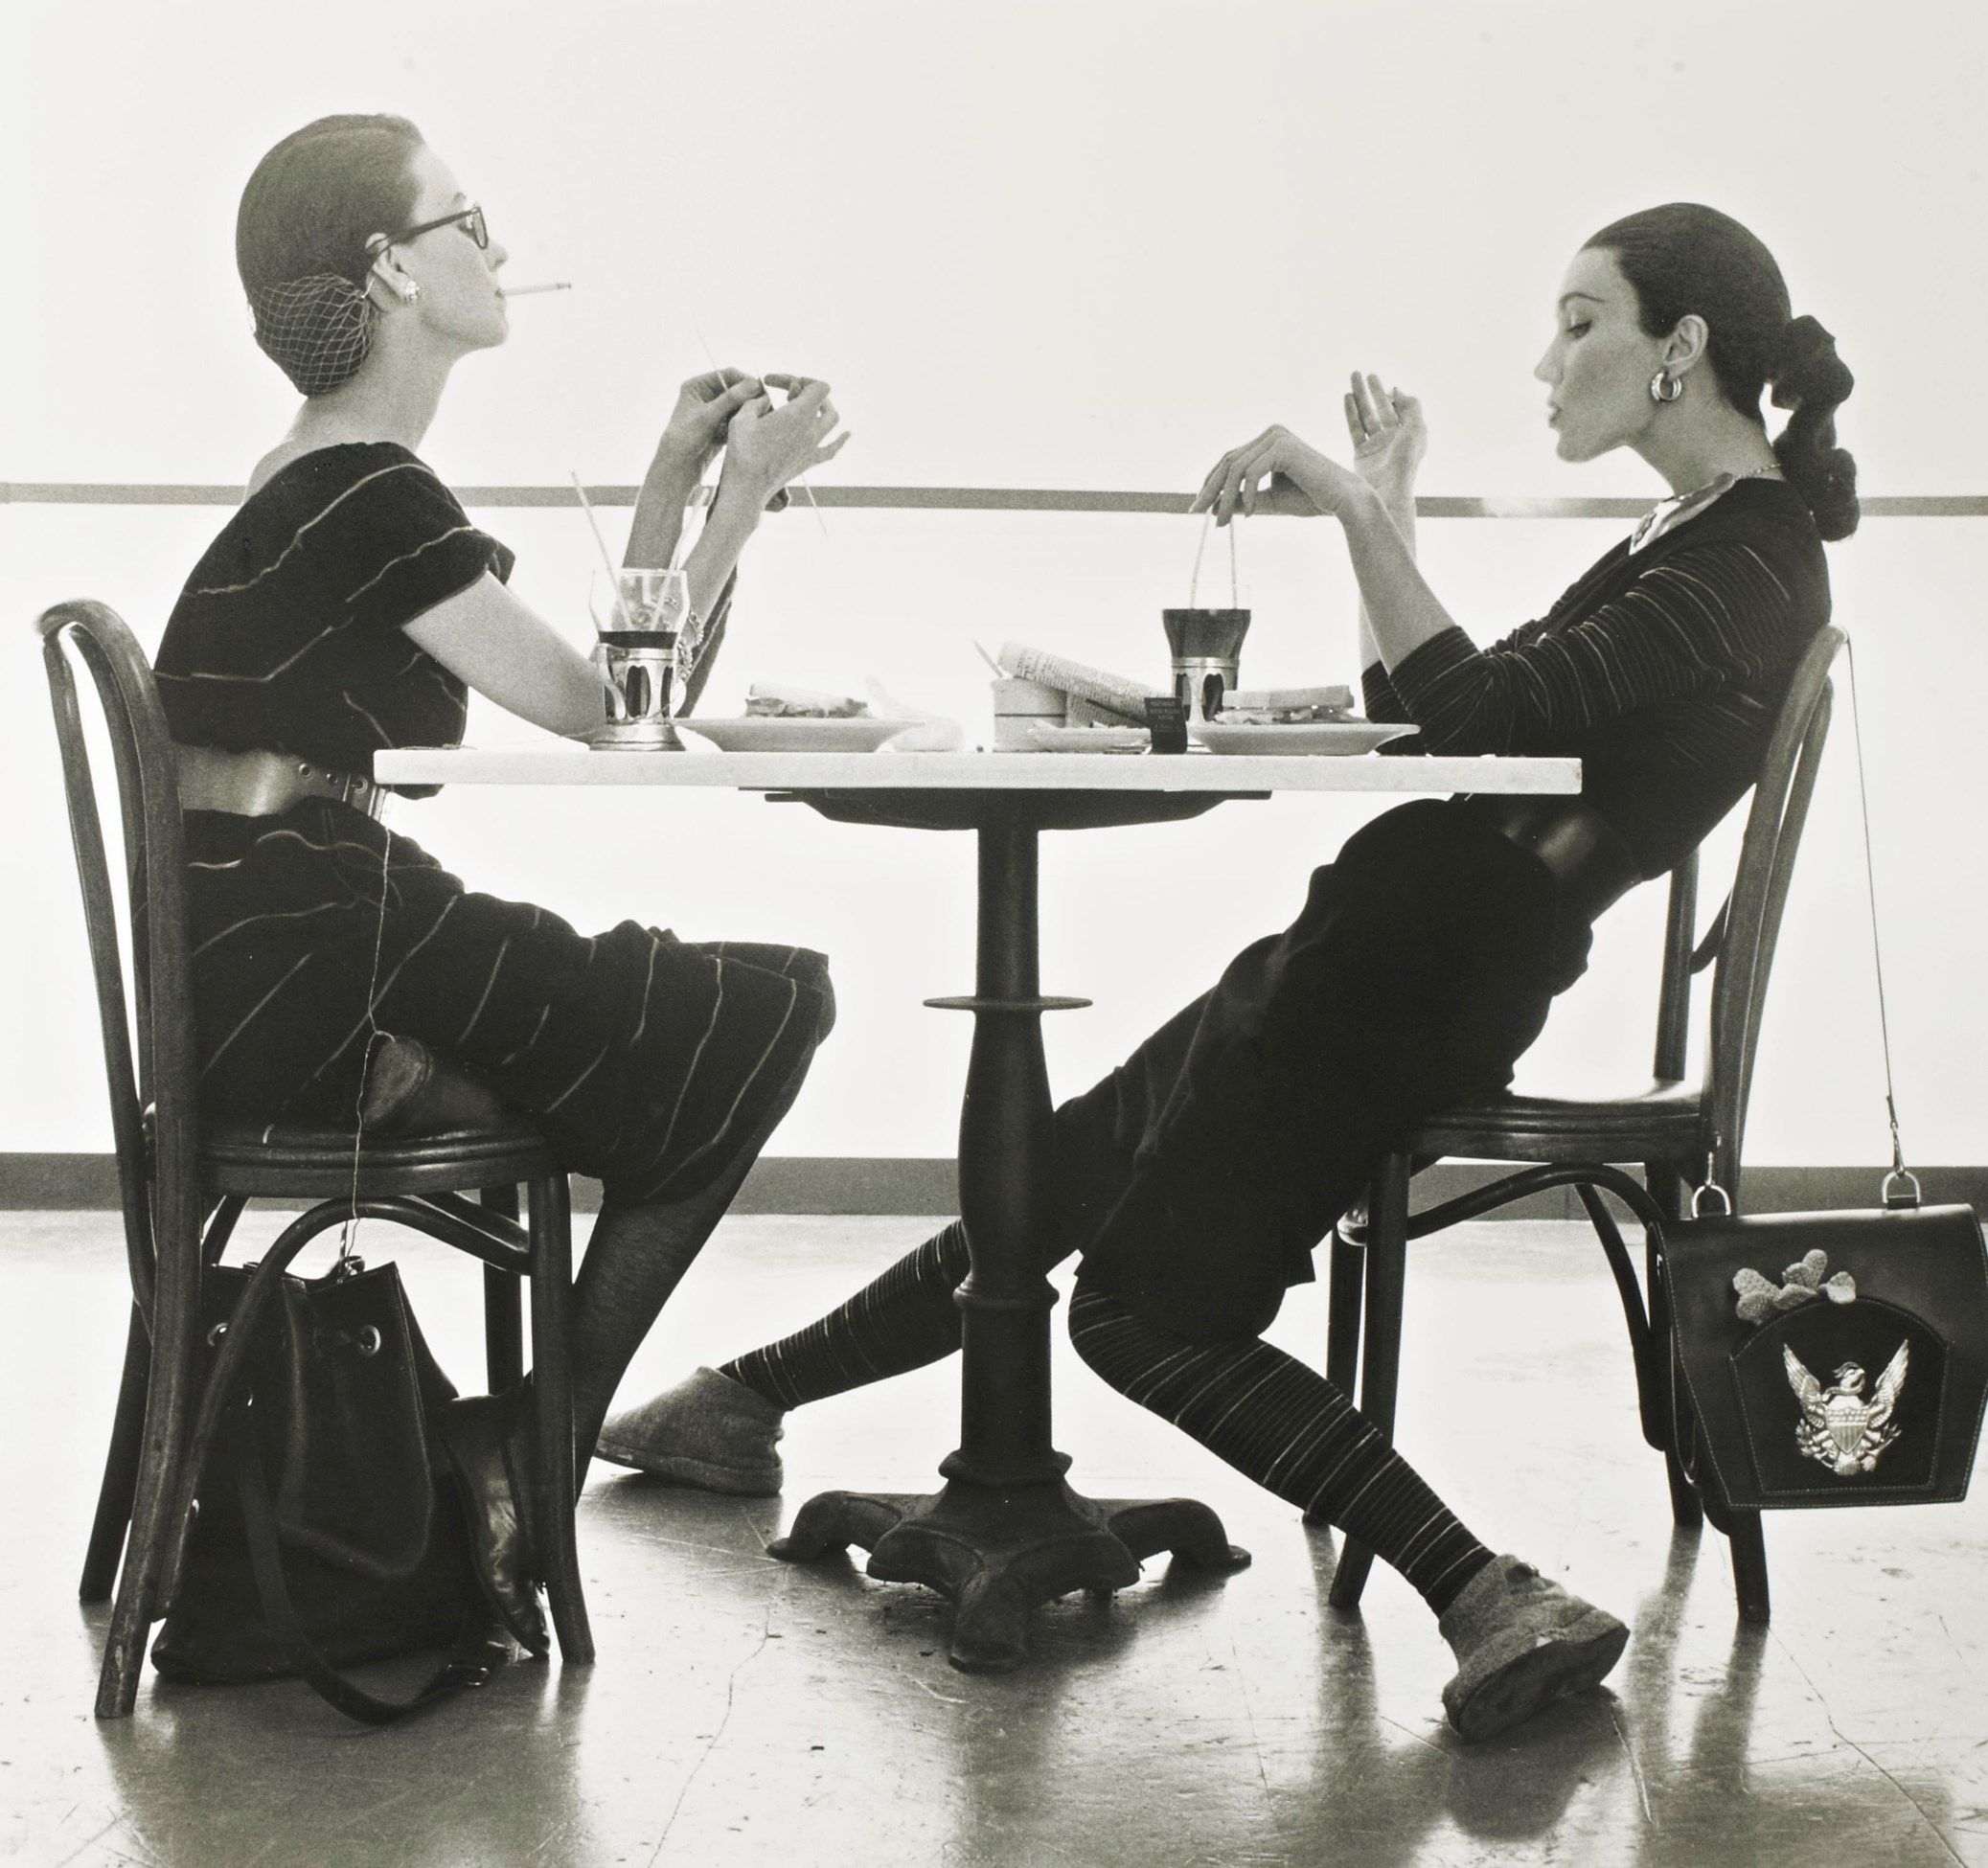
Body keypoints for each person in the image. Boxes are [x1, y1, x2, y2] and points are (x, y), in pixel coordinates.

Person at [599, 203, 1858, 1741]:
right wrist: (1385, 508)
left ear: (1685, 350)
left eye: (1581, 323)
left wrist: (1346, 504)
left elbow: (1471, 720)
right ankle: (747, 1395)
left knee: (1137, 1312)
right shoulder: (1701, 543)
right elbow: (1460, 710)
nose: (1547, 360)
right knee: (1055, 1167)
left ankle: (1486, 1587)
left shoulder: (1745, 559)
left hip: (1423, 984)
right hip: (1386, 948)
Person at [152, 114, 849, 1657]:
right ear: (392, 266)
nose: (503, 247)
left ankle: (523, 1445)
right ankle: (531, 1454)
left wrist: (678, 482)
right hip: (316, 949)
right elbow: (617, 712)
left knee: (734, 1014)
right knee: (764, 1015)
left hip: (288, 938)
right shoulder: (363, 492)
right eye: (471, 219)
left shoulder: (335, 479)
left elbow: (626, 691)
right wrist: (747, 494)